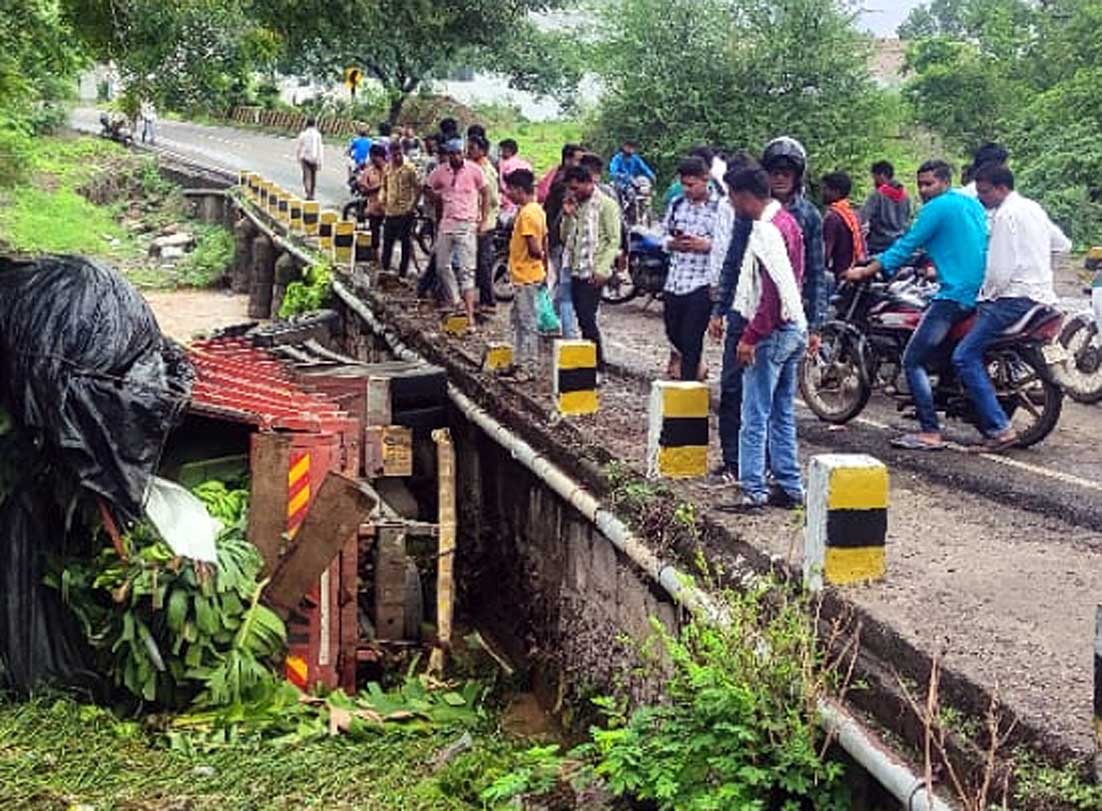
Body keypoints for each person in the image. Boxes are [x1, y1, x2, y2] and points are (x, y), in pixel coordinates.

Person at [844, 159, 988, 450]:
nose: (923, 190)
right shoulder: (970, 203)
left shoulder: (936, 208)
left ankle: (929, 431)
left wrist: (865, 270)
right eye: (920, 184)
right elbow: (968, 241)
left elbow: (906, 245)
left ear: (944, 182)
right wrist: (933, 263)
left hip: (954, 294)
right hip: (979, 290)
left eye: (929, 184)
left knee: (913, 359)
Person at [952, 162, 1070, 451]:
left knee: (964, 355)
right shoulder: (1033, 208)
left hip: (1012, 300)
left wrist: (986, 295)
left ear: (1002, 188)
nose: (981, 198)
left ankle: (999, 428)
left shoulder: (1005, 215)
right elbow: (1063, 245)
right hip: (1040, 298)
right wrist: (1041, 273)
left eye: (985, 192)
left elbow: (999, 269)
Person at [726, 165, 808, 511]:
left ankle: (753, 489)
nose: (731, 205)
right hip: (794, 328)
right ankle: (789, 485)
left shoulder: (766, 230)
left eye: (732, 197)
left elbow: (770, 294)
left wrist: (750, 336)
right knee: (781, 412)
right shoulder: (788, 222)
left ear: (745, 196)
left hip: (772, 332)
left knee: (754, 415)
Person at [707, 156, 756, 485]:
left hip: (769, 319)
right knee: (733, 387)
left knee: (764, 399)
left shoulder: (790, 220)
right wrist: (720, 309)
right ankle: (733, 461)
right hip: (740, 310)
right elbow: (730, 262)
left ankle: (757, 469)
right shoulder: (741, 218)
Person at [761, 137, 828, 357]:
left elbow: (816, 272)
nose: (780, 178)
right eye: (775, 173)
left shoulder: (809, 215)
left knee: (784, 379)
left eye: (786, 173)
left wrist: (815, 324)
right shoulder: (753, 208)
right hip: (753, 305)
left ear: (797, 177)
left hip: (790, 306)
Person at [560, 165, 622, 374]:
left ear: (589, 183)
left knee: (587, 317)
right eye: (570, 188)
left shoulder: (606, 205)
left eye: (576, 188)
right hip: (577, 267)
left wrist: (603, 268)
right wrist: (568, 216)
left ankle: (597, 364)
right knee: (582, 316)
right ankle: (590, 362)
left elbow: (614, 240)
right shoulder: (577, 206)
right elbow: (565, 237)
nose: (573, 192)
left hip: (594, 270)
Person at [663, 157, 720, 382]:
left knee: (691, 336)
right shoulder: (677, 204)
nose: (687, 189)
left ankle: (688, 383)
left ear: (705, 180)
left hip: (702, 281)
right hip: (675, 279)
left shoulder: (721, 207)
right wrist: (672, 243)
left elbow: (728, 244)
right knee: (672, 332)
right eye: (684, 184)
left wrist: (706, 245)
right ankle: (693, 367)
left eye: (691, 185)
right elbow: (662, 233)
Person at [426, 138, 489, 327]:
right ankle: (455, 301)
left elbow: (486, 193)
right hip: (446, 224)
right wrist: (436, 198)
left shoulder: (474, 170)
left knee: (467, 270)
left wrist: (483, 219)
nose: (456, 156)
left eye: (459, 153)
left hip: (467, 224)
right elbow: (427, 187)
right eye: (452, 153)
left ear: (463, 153)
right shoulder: (440, 172)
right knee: (441, 266)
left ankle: (469, 315)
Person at [503, 169, 548, 379]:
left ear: (519, 190)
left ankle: (529, 366)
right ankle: (518, 360)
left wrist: (538, 257)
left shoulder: (528, 214)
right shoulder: (537, 209)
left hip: (525, 275)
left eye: (510, 189)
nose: (507, 193)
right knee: (517, 320)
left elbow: (535, 247)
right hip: (528, 275)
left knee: (527, 322)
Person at [467, 135, 501, 314]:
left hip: (485, 222)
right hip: (475, 220)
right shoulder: (473, 168)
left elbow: (493, 198)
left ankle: (488, 300)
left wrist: (483, 218)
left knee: (483, 262)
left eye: (472, 148)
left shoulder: (486, 170)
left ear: (482, 150)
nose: (468, 151)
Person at [381, 143, 420, 277]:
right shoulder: (387, 168)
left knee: (405, 242)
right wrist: (383, 199)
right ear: (390, 154)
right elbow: (384, 186)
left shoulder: (410, 169)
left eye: (399, 154)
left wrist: (412, 206)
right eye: (394, 155)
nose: (397, 157)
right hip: (390, 210)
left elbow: (417, 188)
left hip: (405, 211)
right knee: (387, 241)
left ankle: (402, 272)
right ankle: (385, 269)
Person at [821, 171, 866, 279]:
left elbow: (825, 253)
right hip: (856, 272)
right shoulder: (852, 214)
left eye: (825, 189)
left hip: (841, 276)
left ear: (836, 192)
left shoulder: (833, 217)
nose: (822, 193)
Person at [861, 161, 912, 255]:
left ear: (882, 175)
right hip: (899, 243)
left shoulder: (877, 194)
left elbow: (863, 217)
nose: (874, 181)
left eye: (874, 177)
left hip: (878, 244)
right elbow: (908, 219)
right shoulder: (905, 195)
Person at [358, 144, 387, 259]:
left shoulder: (391, 170)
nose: (373, 159)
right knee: (374, 232)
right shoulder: (368, 172)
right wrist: (379, 187)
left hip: (391, 208)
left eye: (374, 157)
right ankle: (375, 256)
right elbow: (364, 191)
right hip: (374, 207)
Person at [498, 139, 532, 213]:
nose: (501, 153)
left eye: (502, 150)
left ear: (508, 150)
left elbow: (502, 186)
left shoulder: (504, 164)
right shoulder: (525, 164)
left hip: (509, 203)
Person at [295, 117, 323, 201]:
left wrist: (298, 157)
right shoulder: (318, 135)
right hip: (315, 158)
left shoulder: (303, 134)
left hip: (305, 157)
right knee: (313, 177)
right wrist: (320, 161)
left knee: (307, 177)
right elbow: (320, 148)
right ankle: (312, 193)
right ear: (315, 124)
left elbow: (299, 147)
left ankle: (308, 194)